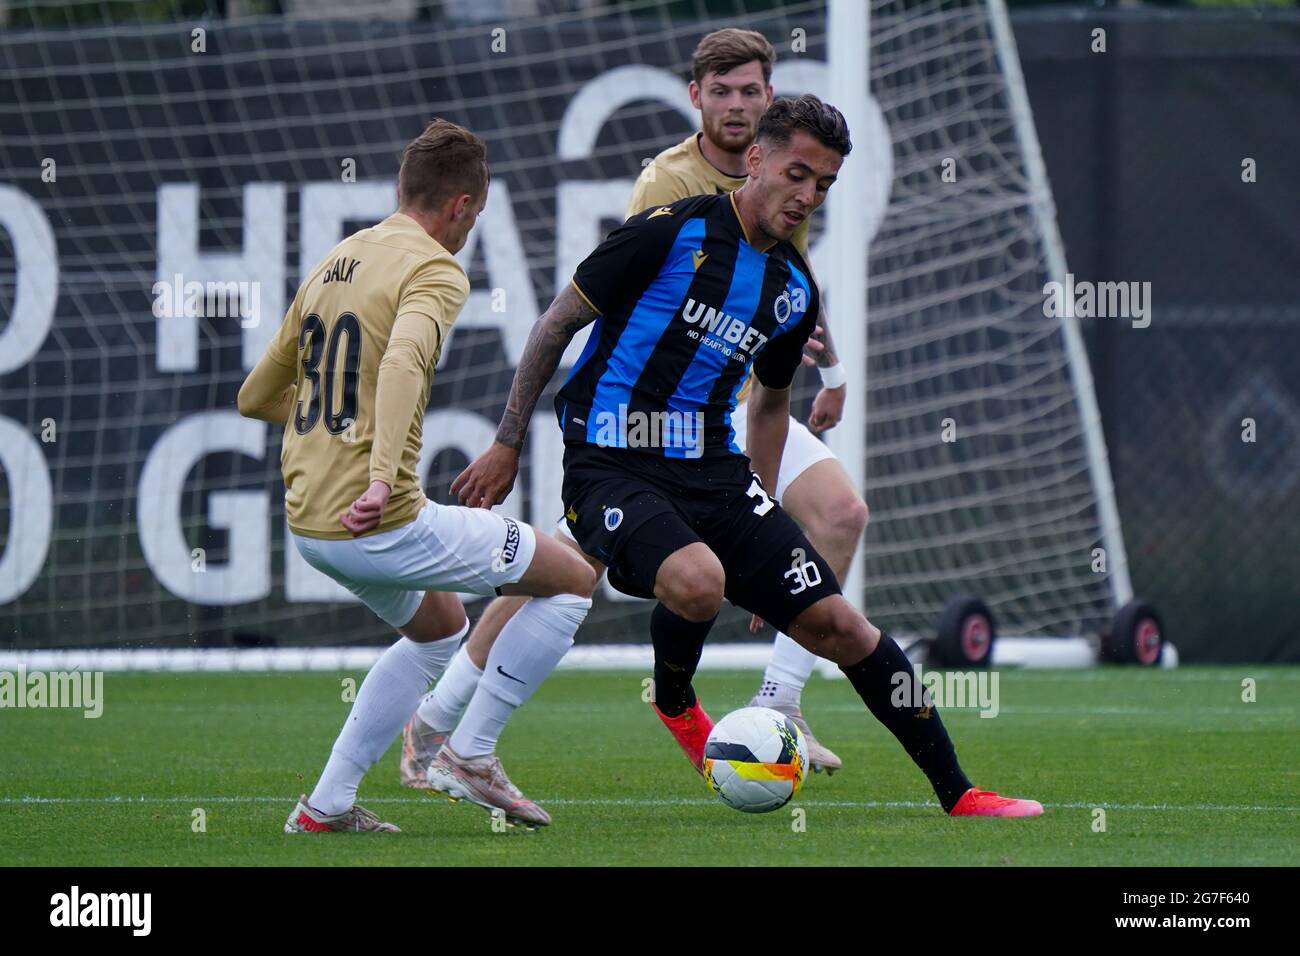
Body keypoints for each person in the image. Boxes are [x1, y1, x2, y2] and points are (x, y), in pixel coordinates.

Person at [440, 96, 1043, 820]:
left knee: (841, 627)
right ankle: (675, 701)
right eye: (797, 174)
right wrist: (508, 441)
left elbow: (769, 406)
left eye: (823, 185)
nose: (808, 196)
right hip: (610, 462)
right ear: (755, 159)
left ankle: (960, 791)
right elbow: (556, 324)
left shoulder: (792, 289)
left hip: (717, 478)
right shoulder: (668, 232)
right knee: (698, 581)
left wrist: (763, 527)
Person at [237, 118, 596, 833]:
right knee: (575, 579)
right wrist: (375, 478)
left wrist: (334, 438)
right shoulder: (435, 267)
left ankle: (325, 806)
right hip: (382, 518)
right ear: (461, 206)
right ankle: (470, 753)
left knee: (439, 627)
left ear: (403, 188)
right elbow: (402, 362)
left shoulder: (338, 260)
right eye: (475, 216)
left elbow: (255, 396)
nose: (469, 230)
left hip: (310, 520)